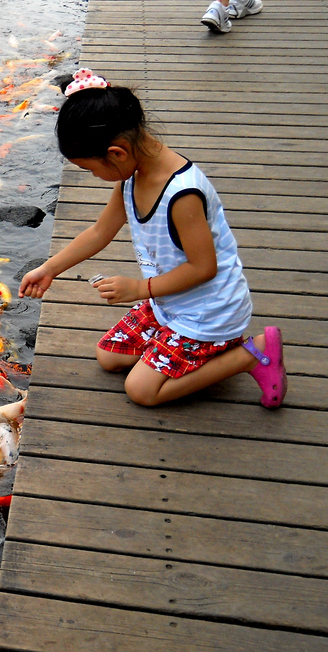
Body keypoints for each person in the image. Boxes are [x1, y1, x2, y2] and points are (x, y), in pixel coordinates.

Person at [18, 69, 286, 408]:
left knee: (141, 391)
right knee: (109, 357)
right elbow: (100, 231)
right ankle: (183, 348)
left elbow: (204, 268)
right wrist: (50, 269)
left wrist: (137, 290)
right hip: (170, 302)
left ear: (116, 153)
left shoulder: (182, 194)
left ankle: (252, 353)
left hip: (209, 312)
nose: (95, 177)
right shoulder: (131, 176)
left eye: (91, 169)